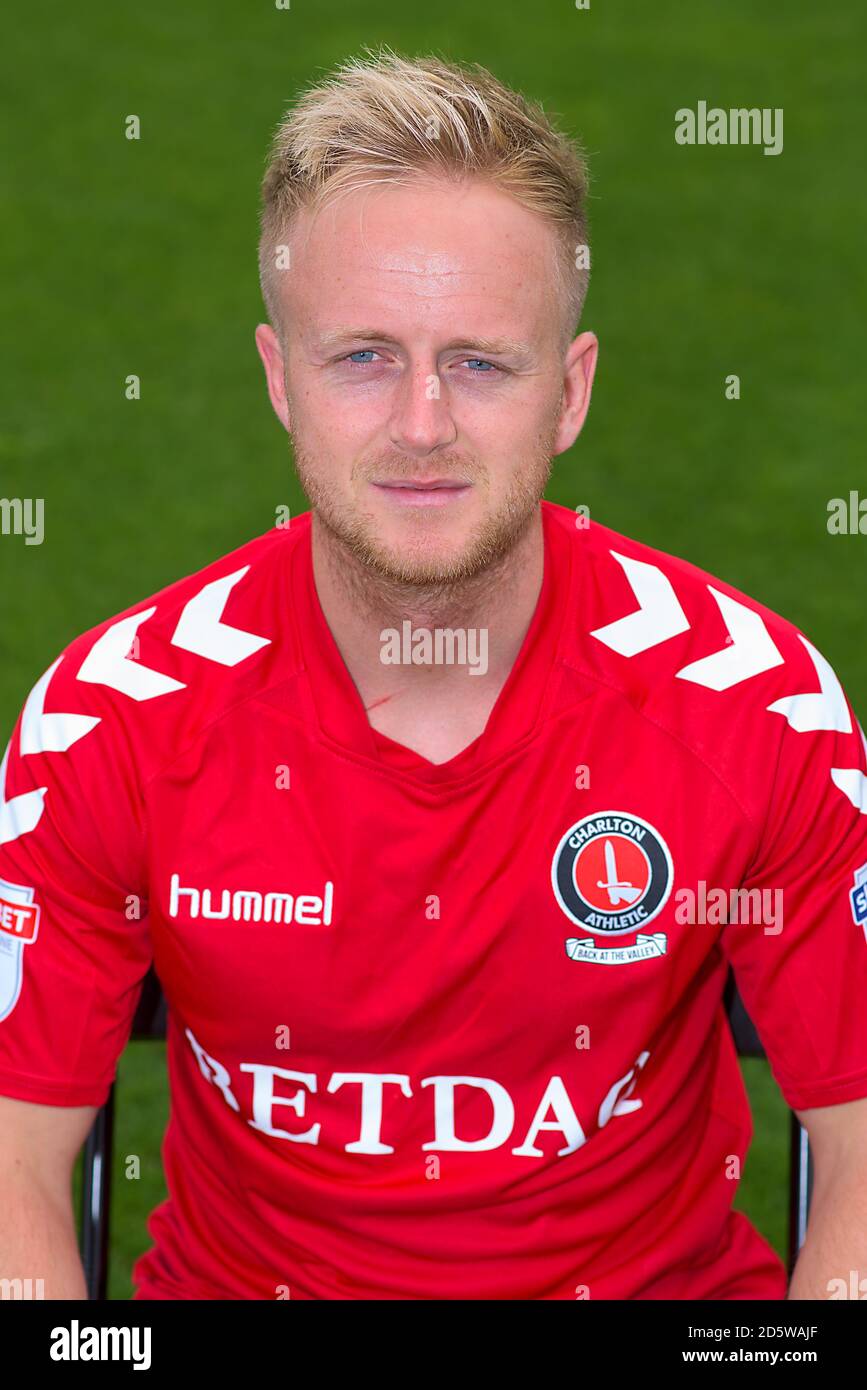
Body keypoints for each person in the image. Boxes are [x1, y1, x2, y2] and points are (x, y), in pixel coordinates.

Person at [1, 49, 866, 1302]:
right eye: (361, 357)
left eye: (479, 361)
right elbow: (16, 1169)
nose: (420, 423)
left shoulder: (757, 708)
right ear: (278, 378)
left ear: (568, 393)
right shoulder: (108, 726)